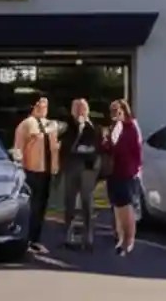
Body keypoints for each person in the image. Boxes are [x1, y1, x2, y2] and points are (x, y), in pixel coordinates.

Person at [13, 96, 59, 254]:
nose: (44, 107)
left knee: (41, 206)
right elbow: (18, 148)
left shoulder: (50, 124)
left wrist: (55, 166)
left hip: (46, 170)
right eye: (40, 104)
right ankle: (26, 239)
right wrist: (19, 168)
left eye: (46, 104)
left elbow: (54, 147)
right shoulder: (26, 125)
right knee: (31, 206)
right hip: (31, 170)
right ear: (33, 106)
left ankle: (36, 239)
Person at [100, 98, 142, 256]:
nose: (115, 114)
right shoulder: (112, 128)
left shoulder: (131, 127)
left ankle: (129, 240)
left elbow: (137, 149)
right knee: (117, 207)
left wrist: (136, 169)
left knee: (126, 206)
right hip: (113, 171)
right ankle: (120, 238)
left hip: (127, 171)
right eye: (112, 111)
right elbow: (108, 148)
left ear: (124, 111)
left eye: (118, 111)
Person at [58, 98, 102, 250]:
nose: (79, 112)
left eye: (82, 109)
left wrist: (88, 150)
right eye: (76, 109)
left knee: (86, 199)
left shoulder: (94, 128)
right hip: (72, 166)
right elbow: (65, 146)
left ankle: (88, 234)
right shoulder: (69, 128)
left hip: (88, 168)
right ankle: (68, 233)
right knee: (69, 200)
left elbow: (98, 147)